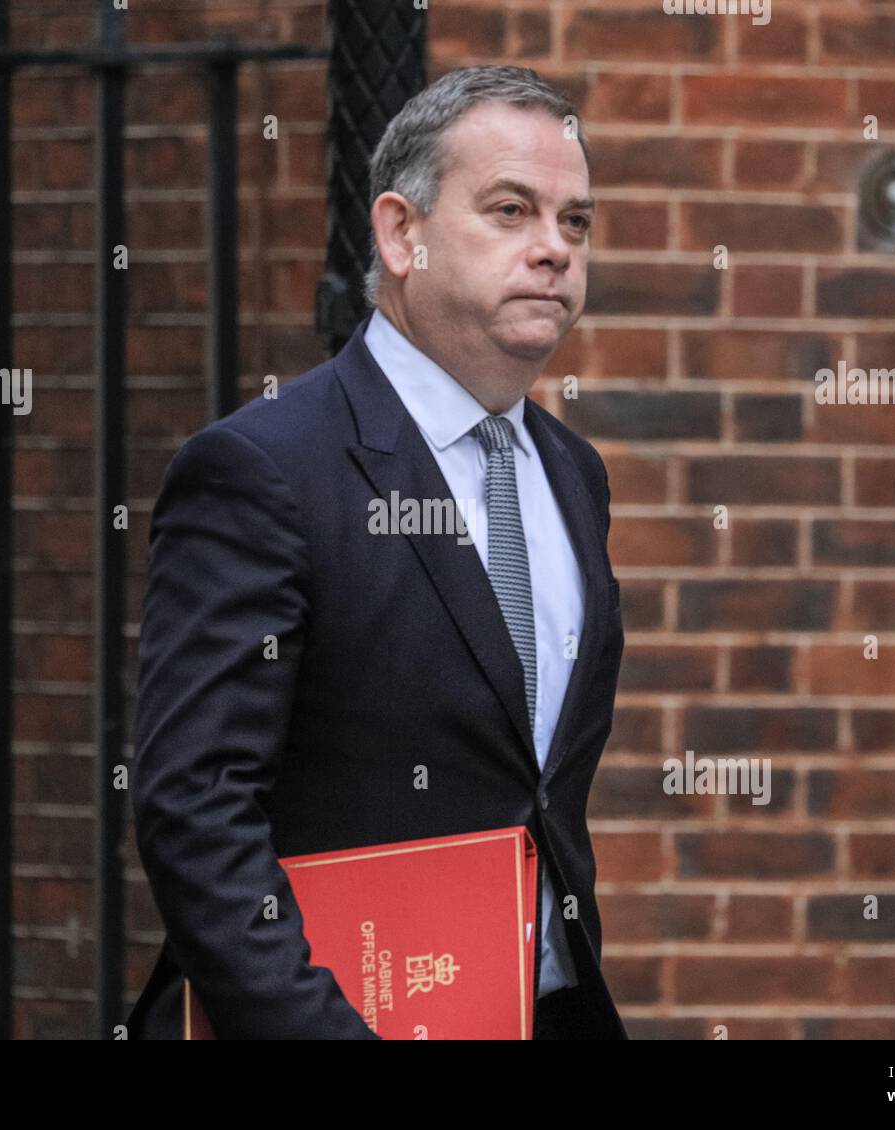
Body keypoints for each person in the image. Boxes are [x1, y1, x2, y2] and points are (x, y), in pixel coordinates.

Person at [126, 64, 626, 1040]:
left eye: (575, 222)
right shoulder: (262, 470)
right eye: (512, 210)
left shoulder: (575, 475)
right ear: (402, 233)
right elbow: (195, 804)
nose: (553, 250)